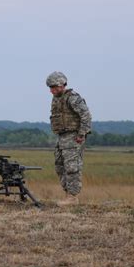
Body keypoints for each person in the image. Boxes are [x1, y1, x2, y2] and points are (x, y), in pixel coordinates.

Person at [46, 71, 92, 206]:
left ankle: (72, 197)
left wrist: (81, 134)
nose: (52, 90)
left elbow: (86, 116)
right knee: (60, 166)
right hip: (62, 137)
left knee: (72, 167)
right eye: (50, 88)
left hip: (73, 137)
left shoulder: (73, 98)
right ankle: (68, 194)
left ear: (62, 85)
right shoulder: (56, 99)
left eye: (54, 87)